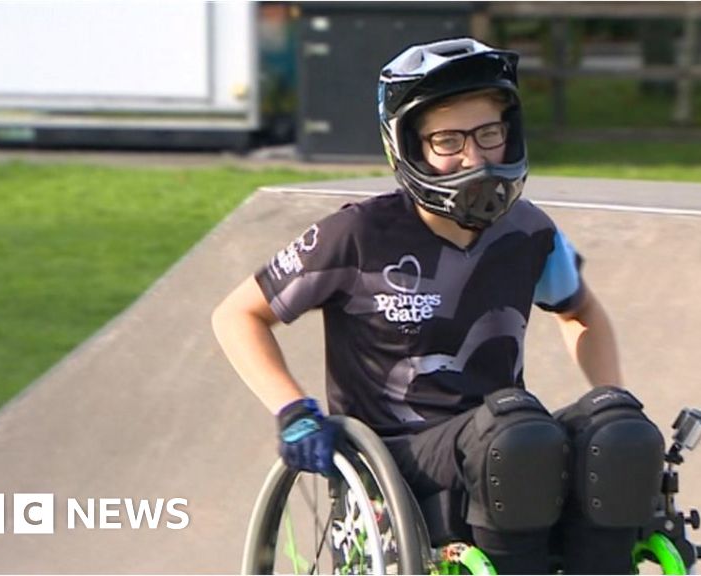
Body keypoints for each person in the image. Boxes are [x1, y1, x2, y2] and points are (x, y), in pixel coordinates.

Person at [212, 37, 664, 574]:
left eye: (488, 133)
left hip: (508, 446)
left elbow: (580, 312)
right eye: (449, 140)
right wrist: (293, 411)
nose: (475, 157)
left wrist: (607, 395)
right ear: (410, 146)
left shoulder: (530, 232)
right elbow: (238, 314)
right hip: (399, 457)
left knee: (618, 429)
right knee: (517, 431)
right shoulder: (357, 235)